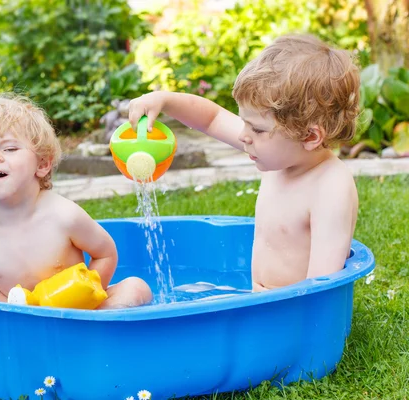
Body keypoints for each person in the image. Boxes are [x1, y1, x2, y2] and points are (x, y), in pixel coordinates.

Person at [128, 34, 360, 291]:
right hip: (258, 299)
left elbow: (323, 286)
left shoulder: (330, 187)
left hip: (290, 313)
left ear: (309, 136)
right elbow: (212, 118)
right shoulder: (282, 154)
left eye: (257, 129)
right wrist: (165, 100)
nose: (242, 135)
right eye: (244, 122)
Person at [0, 93, 152, 308]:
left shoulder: (63, 215)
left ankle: (94, 325)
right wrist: (16, 310)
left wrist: (84, 298)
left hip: (77, 312)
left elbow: (105, 254)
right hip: (22, 321)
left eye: (9, 148)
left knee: (135, 287)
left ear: (42, 164)